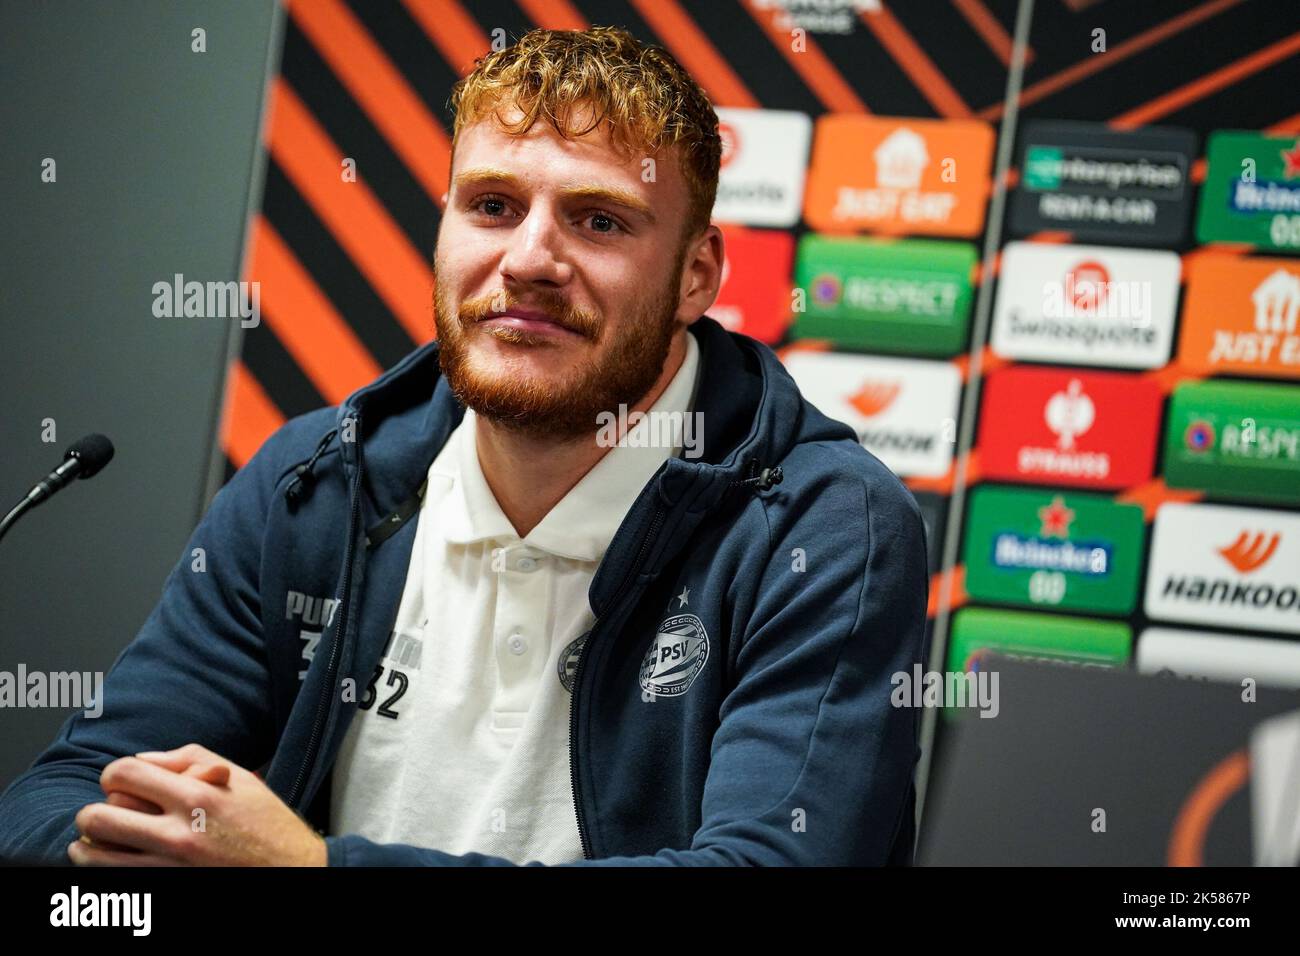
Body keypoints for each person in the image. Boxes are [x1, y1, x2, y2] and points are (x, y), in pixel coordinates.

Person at [0, 26, 928, 867]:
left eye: (598, 220)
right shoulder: (315, 482)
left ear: (695, 278)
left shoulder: (824, 529)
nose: (528, 259)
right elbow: (56, 798)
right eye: (491, 205)